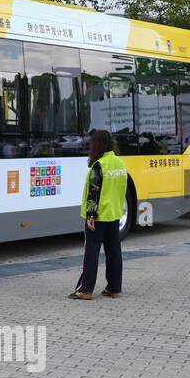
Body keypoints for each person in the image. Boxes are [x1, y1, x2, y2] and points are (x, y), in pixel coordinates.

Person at [69, 128, 128, 300]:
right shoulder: (120, 164)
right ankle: (114, 288)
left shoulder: (99, 165)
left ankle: (85, 289)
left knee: (92, 252)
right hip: (114, 214)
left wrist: (90, 216)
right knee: (114, 252)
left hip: (99, 216)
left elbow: (93, 192)